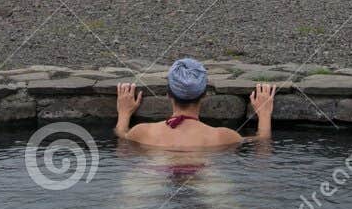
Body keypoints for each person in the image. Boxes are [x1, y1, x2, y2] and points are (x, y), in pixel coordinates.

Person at [115, 57, 275, 150]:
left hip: (155, 171)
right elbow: (262, 142)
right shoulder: (223, 136)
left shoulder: (142, 132)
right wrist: (264, 113)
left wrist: (123, 114)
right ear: (204, 94)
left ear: (168, 94)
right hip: (204, 174)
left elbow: (122, 138)